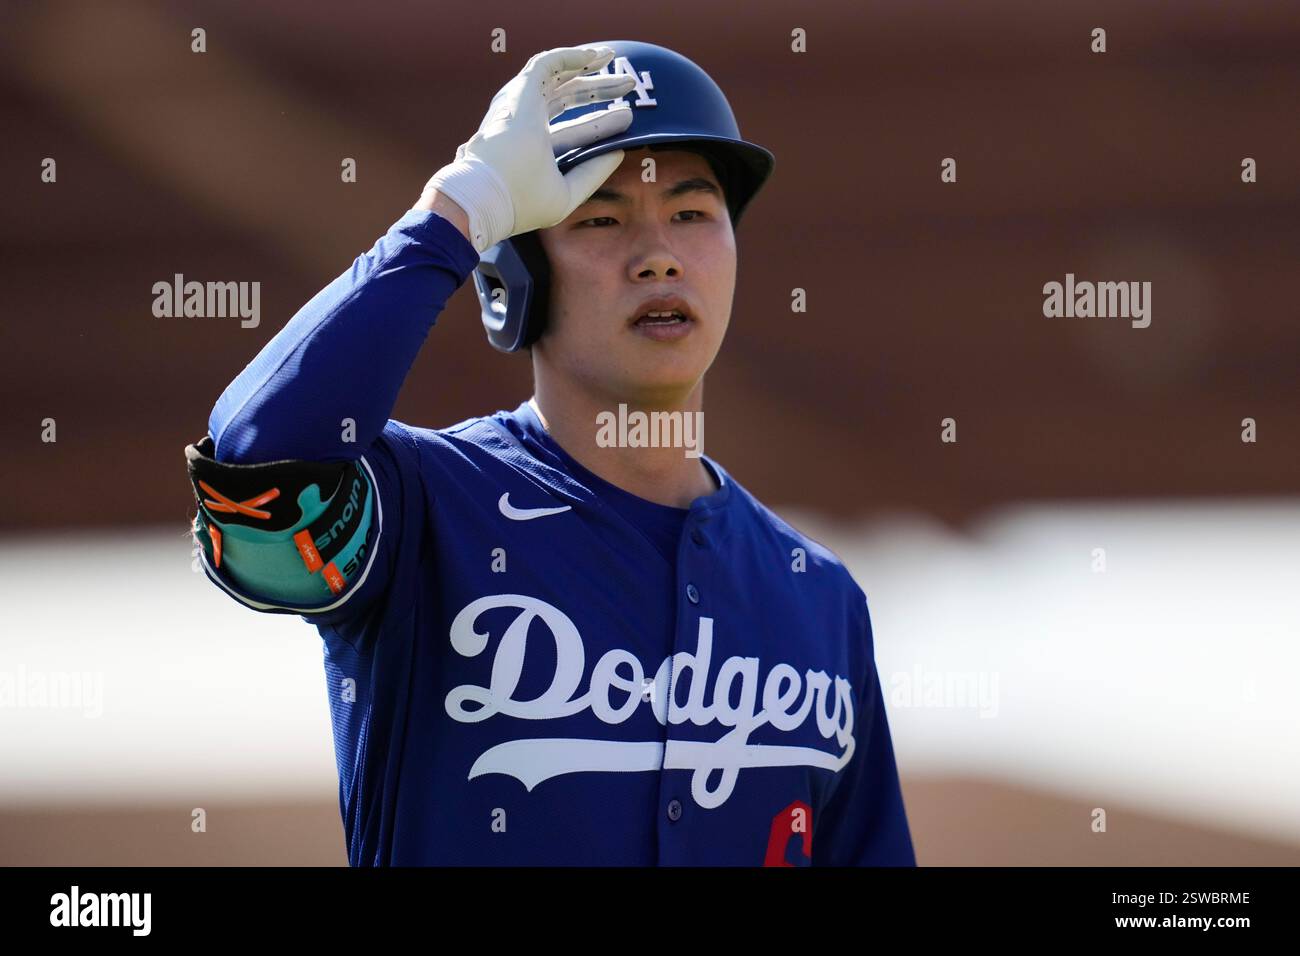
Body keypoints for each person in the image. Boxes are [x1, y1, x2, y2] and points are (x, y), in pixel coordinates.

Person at [184, 40, 916, 866]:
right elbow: (256, 464)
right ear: (514, 281)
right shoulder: (424, 507)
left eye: (692, 213)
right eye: (600, 219)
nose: (659, 255)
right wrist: (459, 211)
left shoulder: (817, 595)